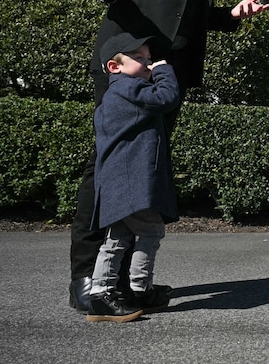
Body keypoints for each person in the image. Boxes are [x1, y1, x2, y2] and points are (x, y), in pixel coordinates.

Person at [69, 0, 269, 313]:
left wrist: (231, 15)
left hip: (170, 74)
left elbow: (194, 12)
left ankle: (123, 281)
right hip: (128, 64)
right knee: (106, 166)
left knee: (145, 171)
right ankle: (87, 280)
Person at [86, 33, 180, 323]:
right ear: (115, 67)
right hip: (131, 182)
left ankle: (102, 291)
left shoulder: (119, 93)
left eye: (149, 58)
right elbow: (167, 97)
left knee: (118, 237)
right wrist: (164, 70)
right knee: (151, 231)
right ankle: (140, 289)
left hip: (117, 182)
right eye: (139, 58)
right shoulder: (130, 90)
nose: (148, 63)